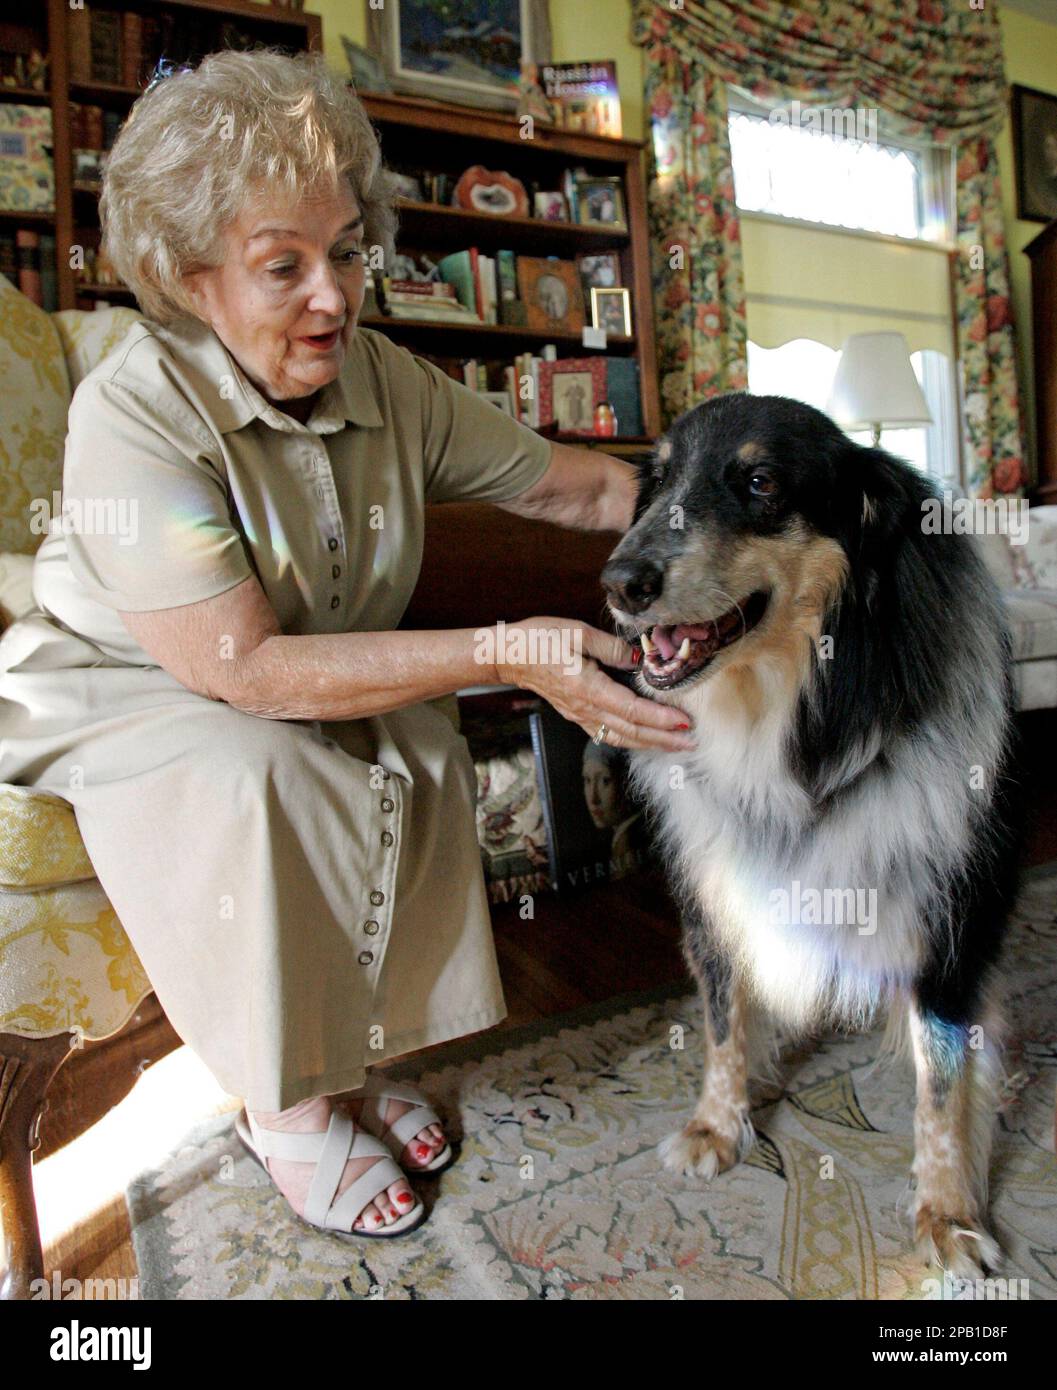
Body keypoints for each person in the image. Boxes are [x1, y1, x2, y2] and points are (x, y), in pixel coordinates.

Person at [0, 49, 695, 1239]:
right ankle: (285, 1108)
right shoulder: (134, 409)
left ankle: (345, 1063)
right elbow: (244, 673)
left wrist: (741, 513)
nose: (333, 294)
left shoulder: (388, 380)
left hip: (280, 660)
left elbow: (578, 491)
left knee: (408, 745)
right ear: (189, 273)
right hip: (126, 682)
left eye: (345, 252)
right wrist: (505, 649)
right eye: (285, 266)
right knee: (268, 769)